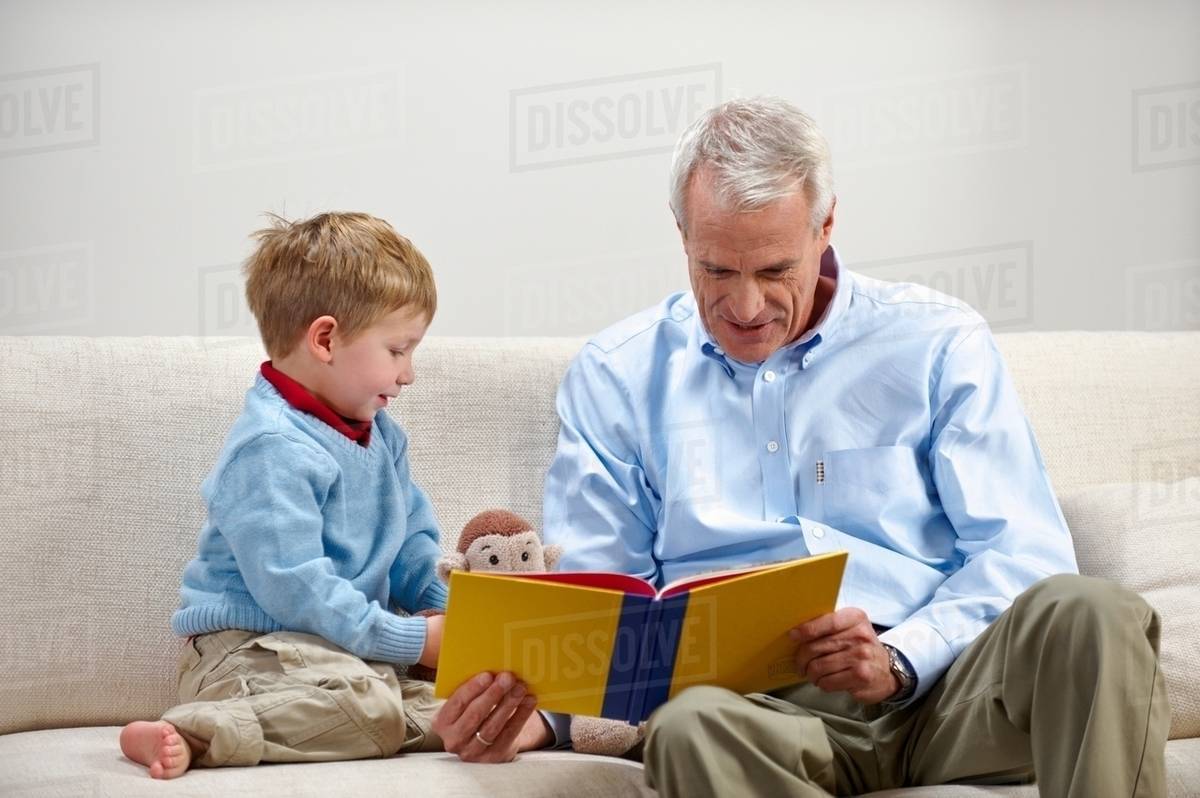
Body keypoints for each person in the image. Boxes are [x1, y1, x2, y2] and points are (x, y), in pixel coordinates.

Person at [542, 98, 1169, 796]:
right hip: (756, 716)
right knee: (689, 726)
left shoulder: (935, 340)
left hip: (948, 691)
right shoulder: (616, 374)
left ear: (826, 226)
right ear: (681, 232)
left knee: (1095, 613)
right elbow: (598, 605)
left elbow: (1022, 552)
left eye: (776, 270)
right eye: (717, 271)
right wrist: (546, 711)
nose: (746, 307)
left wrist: (900, 657)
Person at [119, 212, 551, 778]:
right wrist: (415, 638)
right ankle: (196, 730)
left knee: (454, 709)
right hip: (248, 653)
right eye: (398, 350)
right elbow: (298, 590)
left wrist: (470, 621)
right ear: (325, 339)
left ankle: (396, 718)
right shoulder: (270, 447)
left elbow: (411, 553)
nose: (408, 373)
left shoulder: (384, 438)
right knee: (371, 704)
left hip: (340, 657)